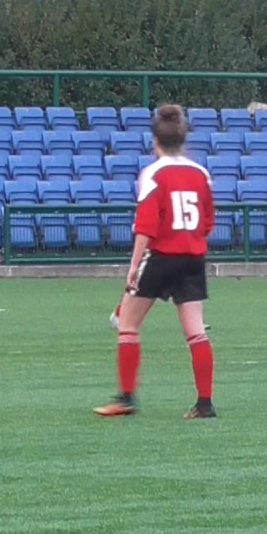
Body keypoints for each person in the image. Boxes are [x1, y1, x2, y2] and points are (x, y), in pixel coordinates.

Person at [95, 104, 218, 419]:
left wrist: (133, 267)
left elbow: (146, 227)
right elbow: (207, 221)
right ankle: (205, 404)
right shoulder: (201, 173)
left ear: (155, 141)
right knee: (196, 332)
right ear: (184, 139)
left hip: (161, 256)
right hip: (193, 258)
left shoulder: (152, 174)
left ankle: (126, 399)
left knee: (127, 325)